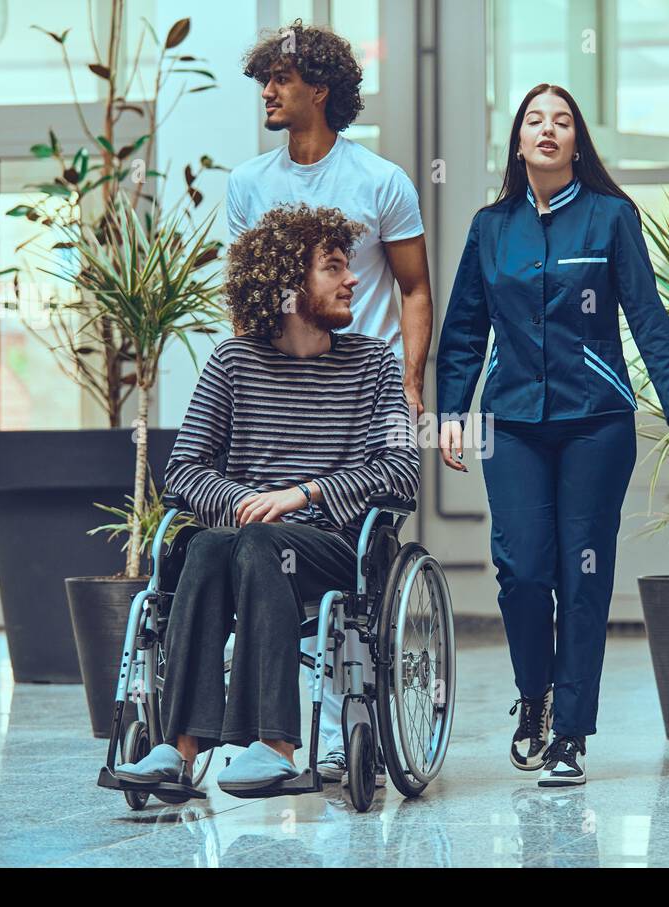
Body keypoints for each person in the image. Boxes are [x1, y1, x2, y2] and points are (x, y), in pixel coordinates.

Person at [435, 84, 669, 787]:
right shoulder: (490, 226)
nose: (548, 129)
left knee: (583, 575)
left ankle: (570, 733)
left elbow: (648, 315)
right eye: (535, 120)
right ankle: (535, 694)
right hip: (511, 421)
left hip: (597, 421)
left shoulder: (611, 218)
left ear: (577, 141)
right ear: (519, 142)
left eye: (561, 120)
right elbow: (465, 326)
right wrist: (449, 412)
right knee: (523, 569)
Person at [114, 203, 419, 794]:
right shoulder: (233, 361)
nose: (352, 279)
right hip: (245, 540)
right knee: (204, 547)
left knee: (256, 539)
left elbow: (402, 470)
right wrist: (246, 500)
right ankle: (178, 750)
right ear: (287, 283)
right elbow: (184, 471)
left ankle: (275, 744)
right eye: (333, 268)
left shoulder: (376, 363)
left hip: (336, 547)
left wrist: (301, 495)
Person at [226, 20, 434, 781]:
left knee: (358, 548)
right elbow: (248, 300)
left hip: (363, 387)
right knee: (245, 537)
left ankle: (346, 705)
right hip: (287, 386)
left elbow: (414, 288)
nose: (268, 93)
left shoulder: (381, 182)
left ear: (320, 87)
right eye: (263, 81)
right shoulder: (249, 185)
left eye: (280, 80)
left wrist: (409, 384)